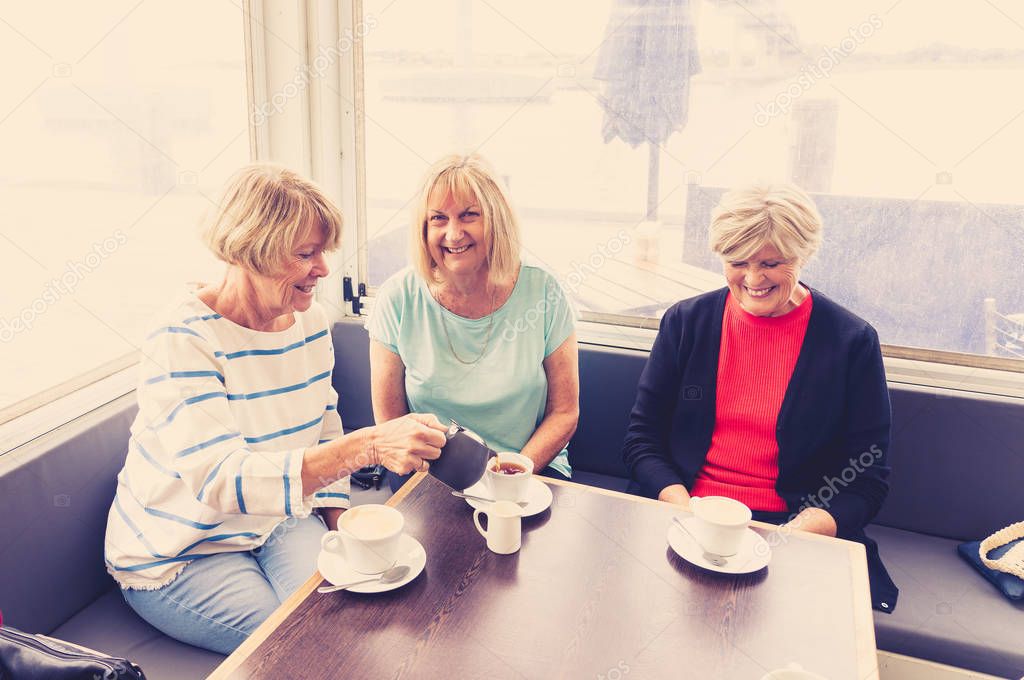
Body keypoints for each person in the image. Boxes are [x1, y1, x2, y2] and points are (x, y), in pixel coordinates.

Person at [104, 163, 448, 654]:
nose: (324, 270)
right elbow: (220, 478)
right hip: (183, 551)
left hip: (277, 520)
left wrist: (340, 525)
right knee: (309, 642)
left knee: (355, 608)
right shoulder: (182, 339)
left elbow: (324, 428)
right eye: (305, 254)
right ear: (252, 253)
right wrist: (370, 444)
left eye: (323, 252)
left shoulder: (308, 323)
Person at [622, 183, 898, 611]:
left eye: (771, 263)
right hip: (686, 514)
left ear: (802, 256)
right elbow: (642, 439)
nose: (752, 279)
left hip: (791, 529)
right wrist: (685, 510)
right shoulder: (685, 323)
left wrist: (794, 533)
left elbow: (866, 477)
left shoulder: (851, 342)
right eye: (737, 263)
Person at [367, 154, 579, 489]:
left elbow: (565, 412)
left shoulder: (544, 293)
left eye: (469, 216)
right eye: (438, 218)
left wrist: (511, 474)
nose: (453, 234)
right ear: (423, 229)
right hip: (430, 474)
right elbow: (391, 425)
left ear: (496, 221)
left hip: (528, 465)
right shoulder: (396, 298)